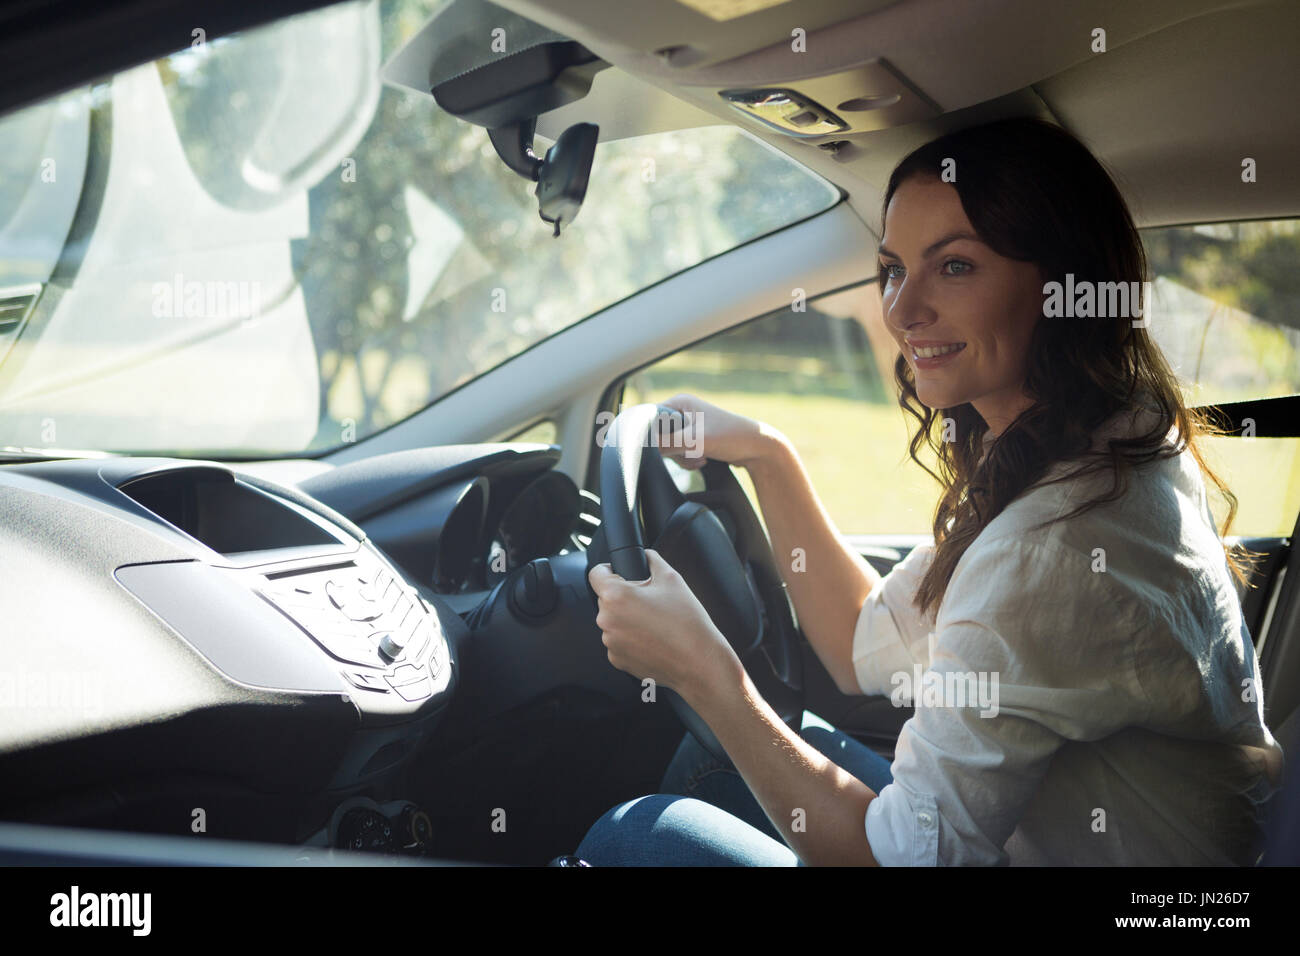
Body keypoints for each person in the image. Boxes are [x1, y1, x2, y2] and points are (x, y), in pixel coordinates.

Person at [574, 117, 1285, 866]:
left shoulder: (1053, 550)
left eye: (954, 267)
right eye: (893, 269)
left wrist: (702, 670)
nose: (901, 309)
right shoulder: (1101, 443)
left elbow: (893, 862)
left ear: (1060, 285)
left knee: (634, 835)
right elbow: (859, 643)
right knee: (713, 762)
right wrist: (765, 455)